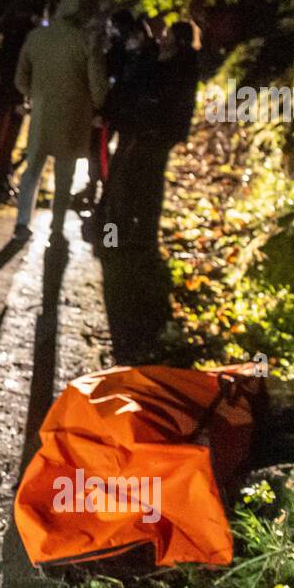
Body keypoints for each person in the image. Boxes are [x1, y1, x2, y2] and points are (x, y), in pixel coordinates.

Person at [100, 20, 199, 361]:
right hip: (150, 133)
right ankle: (136, 233)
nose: (163, 38)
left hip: (150, 134)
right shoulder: (172, 61)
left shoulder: (177, 64)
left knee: (138, 186)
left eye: (169, 34)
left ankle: (133, 234)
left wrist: (148, 121)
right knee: (140, 184)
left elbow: (166, 99)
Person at [12, 0, 109, 240]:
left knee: (32, 170)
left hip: (41, 116)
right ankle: (56, 227)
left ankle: (22, 222)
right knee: (64, 175)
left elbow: (20, 78)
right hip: (75, 118)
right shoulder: (87, 41)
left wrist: (36, 94)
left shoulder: (37, 37)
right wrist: (98, 105)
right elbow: (98, 87)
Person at [0, 9, 34, 200]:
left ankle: (3, 177)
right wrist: (18, 100)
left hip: (12, 99)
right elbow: (12, 77)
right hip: (11, 100)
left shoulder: (12, 47)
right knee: (5, 142)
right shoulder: (14, 50)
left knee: (9, 141)